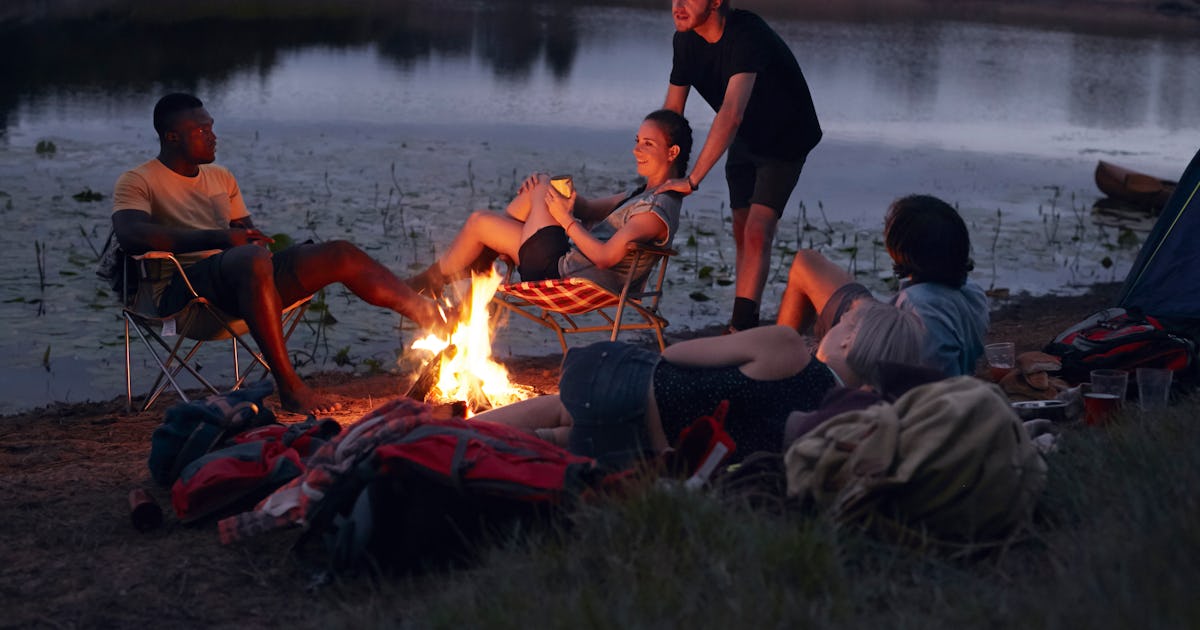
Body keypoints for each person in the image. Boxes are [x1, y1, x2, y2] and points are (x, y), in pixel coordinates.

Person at [112, 93, 445, 416]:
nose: (213, 136)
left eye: (212, 126)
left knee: (338, 253)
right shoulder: (138, 180)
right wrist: (221, 238)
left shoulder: (221, 177)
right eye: (202, 131)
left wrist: (267, 249)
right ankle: (290, 389)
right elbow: (131, 235)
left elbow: (252, 242)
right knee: (251, 260)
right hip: (183, 297)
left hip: (239, 288)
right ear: (171, 137)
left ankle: (434, 317)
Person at [471, 301, 924, 467]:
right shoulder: (829, 422)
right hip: (653, 454)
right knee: (561, 438)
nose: (832, 328)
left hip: (634, 394)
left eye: (842, 323)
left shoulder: (788, 346)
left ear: (849, 341)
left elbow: (675, 354)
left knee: (557, 407)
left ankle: (453, 435)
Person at [657, 0, 822, 333]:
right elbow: (672, 113)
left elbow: (731, 112)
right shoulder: (685, 41)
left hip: (785, 137)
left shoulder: (747, 35)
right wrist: (656, 175)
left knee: (759, 231)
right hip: (745, 138)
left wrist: (691, 180)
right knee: (741, 231)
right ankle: (747, 315)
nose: (678, 5)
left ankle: (740, 328)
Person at [405, 110, 693, 297]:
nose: (636, 149)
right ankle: (449, 274)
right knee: (481, 221)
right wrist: (563, 197)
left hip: (561, 271)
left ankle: (479, 261)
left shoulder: (654, 211)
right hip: (560, 262)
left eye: (648, 144)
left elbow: (606, 257)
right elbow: (590, 209)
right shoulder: (642, 195)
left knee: (541, 185)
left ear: (673, 152)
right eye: (637, 140)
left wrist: (564, 218)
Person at [776, 194, 989, 377]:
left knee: (805, 264)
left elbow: (926, 381)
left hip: (865, 359)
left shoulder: (918, 307)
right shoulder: (973, 292)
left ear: (902, 249)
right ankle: (778, 348)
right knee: (807, 261)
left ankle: (774, 359)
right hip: (879, 332)